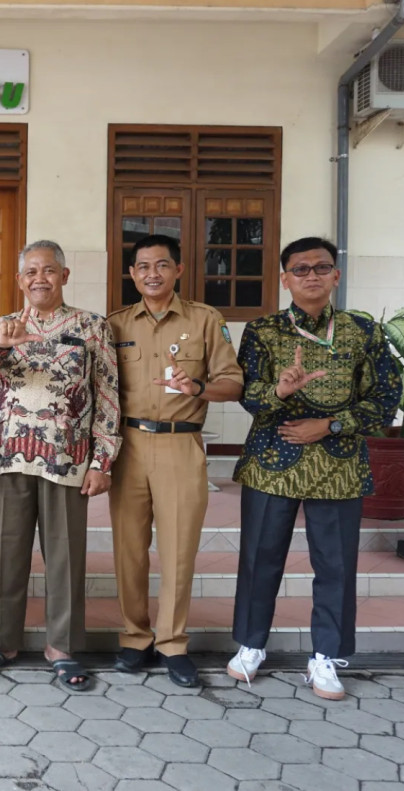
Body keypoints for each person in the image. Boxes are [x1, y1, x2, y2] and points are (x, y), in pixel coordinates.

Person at [229, 237, 401, 700]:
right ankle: (251, 644)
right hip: (272, 461)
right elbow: (248, 396)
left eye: (321, 268)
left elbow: (386, 399)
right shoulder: (263, 332)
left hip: (338, 464)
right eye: (300, 269)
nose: (311, 276)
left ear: (336, 276)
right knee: (260, 558)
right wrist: (281, 392)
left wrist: (330, 424)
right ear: (284, 279)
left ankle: (326, 656)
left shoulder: (363, 331)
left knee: (336, 565)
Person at [0, 240, 120, 691]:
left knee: (65, 558)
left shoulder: (91, 327)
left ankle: (62, 647)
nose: (39, 278)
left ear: (64, 277)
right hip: (10, 458)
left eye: (48, 270)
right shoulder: (5, 325)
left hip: (67, 460)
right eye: (30, 271)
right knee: (6, 557)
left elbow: (109, 396)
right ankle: (1, 642)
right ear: (20, 280)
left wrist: (102, 460)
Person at [106, 234, 243, 687]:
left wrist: (197, 388)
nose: (152, 274)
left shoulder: (205, 320)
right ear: (132, 274)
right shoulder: (116, 325)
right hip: (127, 445)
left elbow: (232, 383)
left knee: (179, 550)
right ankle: (134, 636)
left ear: (178, 270)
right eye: (143, 266)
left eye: (162, 265)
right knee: (129, 550)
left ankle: (173, 643)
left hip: (181, 444)